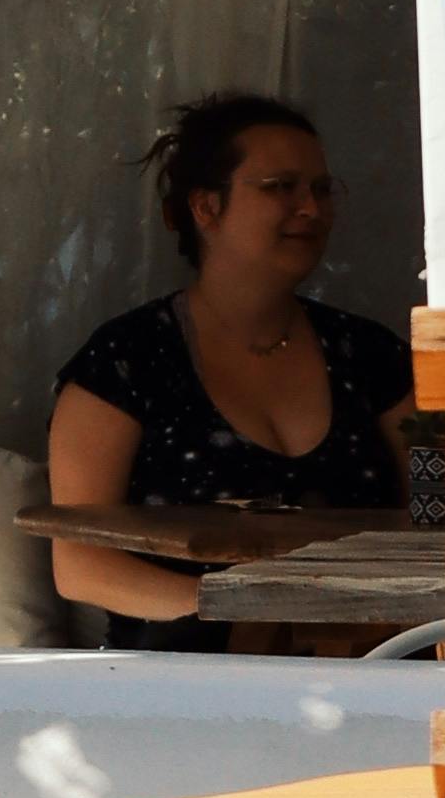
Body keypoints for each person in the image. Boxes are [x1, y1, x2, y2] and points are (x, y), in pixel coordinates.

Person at [47, 94, 414, 649]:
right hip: (186, 689)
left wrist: (389, 617)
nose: (310, 208)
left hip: (369, 667)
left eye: (320, 189)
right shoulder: (126, 360)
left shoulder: (371, 355)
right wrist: (242, 612)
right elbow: (81, 567)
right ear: (205, 209)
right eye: (280, 187)